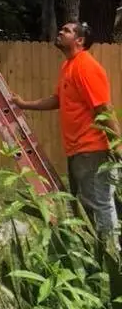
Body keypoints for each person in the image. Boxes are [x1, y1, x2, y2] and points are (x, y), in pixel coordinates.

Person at [12, 21, 120, 243]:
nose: (60, 32)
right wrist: (25, 104)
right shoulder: (69, 66)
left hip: (93, 149)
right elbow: (58, 99)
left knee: (100, 202)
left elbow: (104, 108)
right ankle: (96, 249)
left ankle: (111, 256)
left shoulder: (86, 67)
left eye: (67, 31)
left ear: (79, 41)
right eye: (62, 29)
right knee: (85, 202)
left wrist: (117, 145)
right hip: (77, 150)